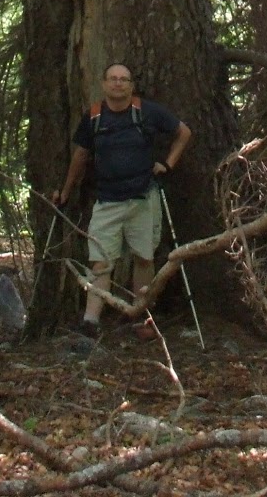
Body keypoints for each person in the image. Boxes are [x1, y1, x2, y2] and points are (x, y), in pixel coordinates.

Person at [52, 62, 192, 341]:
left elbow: (183, 133)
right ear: (104, 84)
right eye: (113, 79)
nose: (118, 84)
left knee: (144, 258)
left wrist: (168, 163)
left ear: (131, 85)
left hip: (143, 198)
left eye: (124, 80)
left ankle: (143, 318)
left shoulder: (148, 112)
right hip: (106, 201)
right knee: (100, 261)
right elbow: (80, 156)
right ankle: (91, 322)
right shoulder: (93, 116)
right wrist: (66, 191)